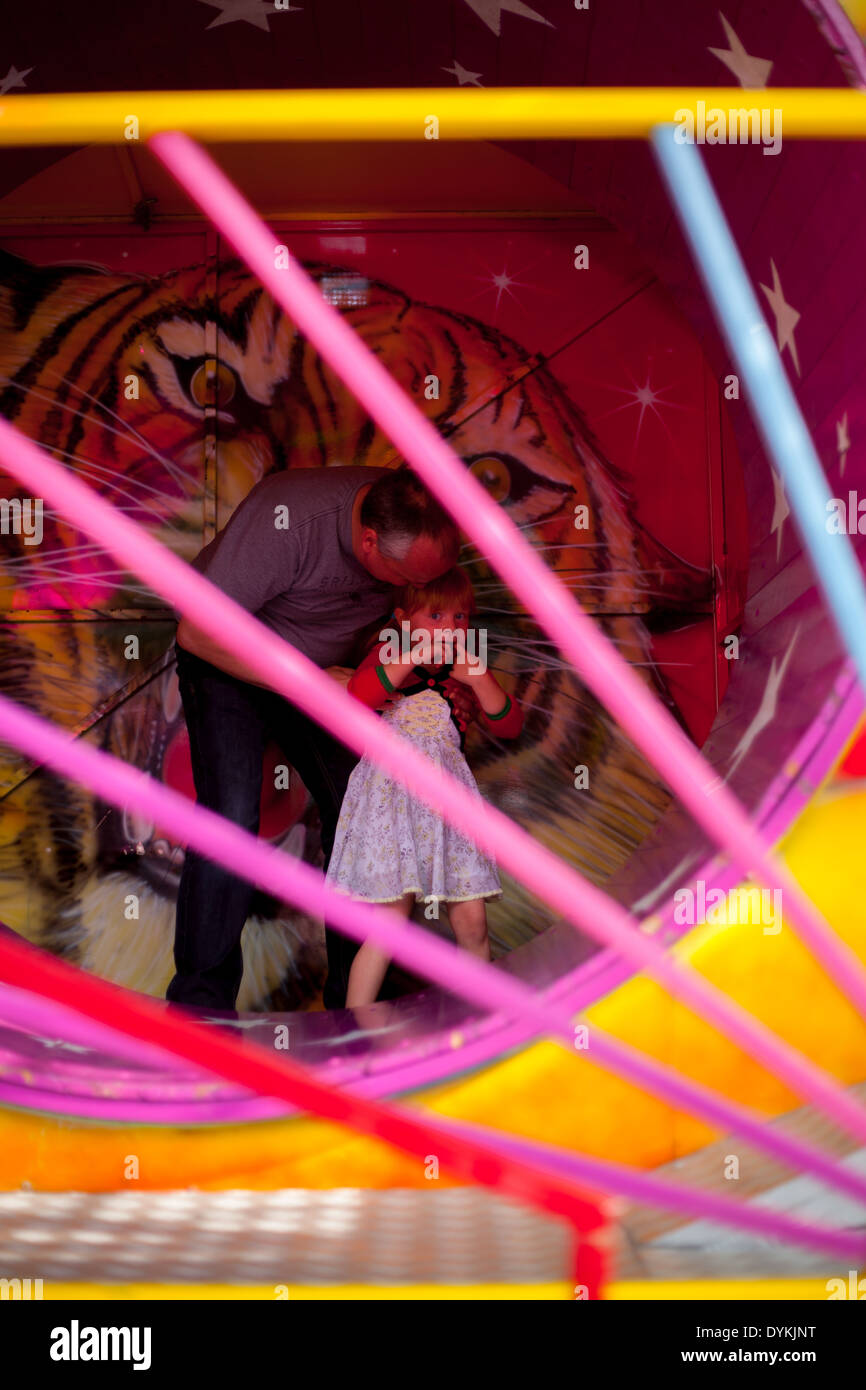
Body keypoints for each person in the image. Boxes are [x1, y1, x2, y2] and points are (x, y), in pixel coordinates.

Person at [169, 464, 474, 1013]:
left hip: (326, 675)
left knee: (365, 806)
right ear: (368, 541)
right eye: (410, 578)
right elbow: (195, 631)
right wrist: (310, 681)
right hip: (227, 660)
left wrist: (421, 684)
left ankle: (355, 1008)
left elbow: (402, 625)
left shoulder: (412, 523)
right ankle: (199, 1009)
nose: (419, 591)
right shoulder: (290, 520)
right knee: (233, 812)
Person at [325, 565, 523, 1007]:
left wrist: (480, 680)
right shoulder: (389, 656)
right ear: (402, 619)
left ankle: (478, 1025)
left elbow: (510, 726)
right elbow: (356, 700)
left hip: (448, 803)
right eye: (436, 617)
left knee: (472, 921)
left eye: (459, 618)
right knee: (389, 924)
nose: (450, 628)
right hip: (393, 799)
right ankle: (357, 1031)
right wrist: (409, 657)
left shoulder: (464, 671)